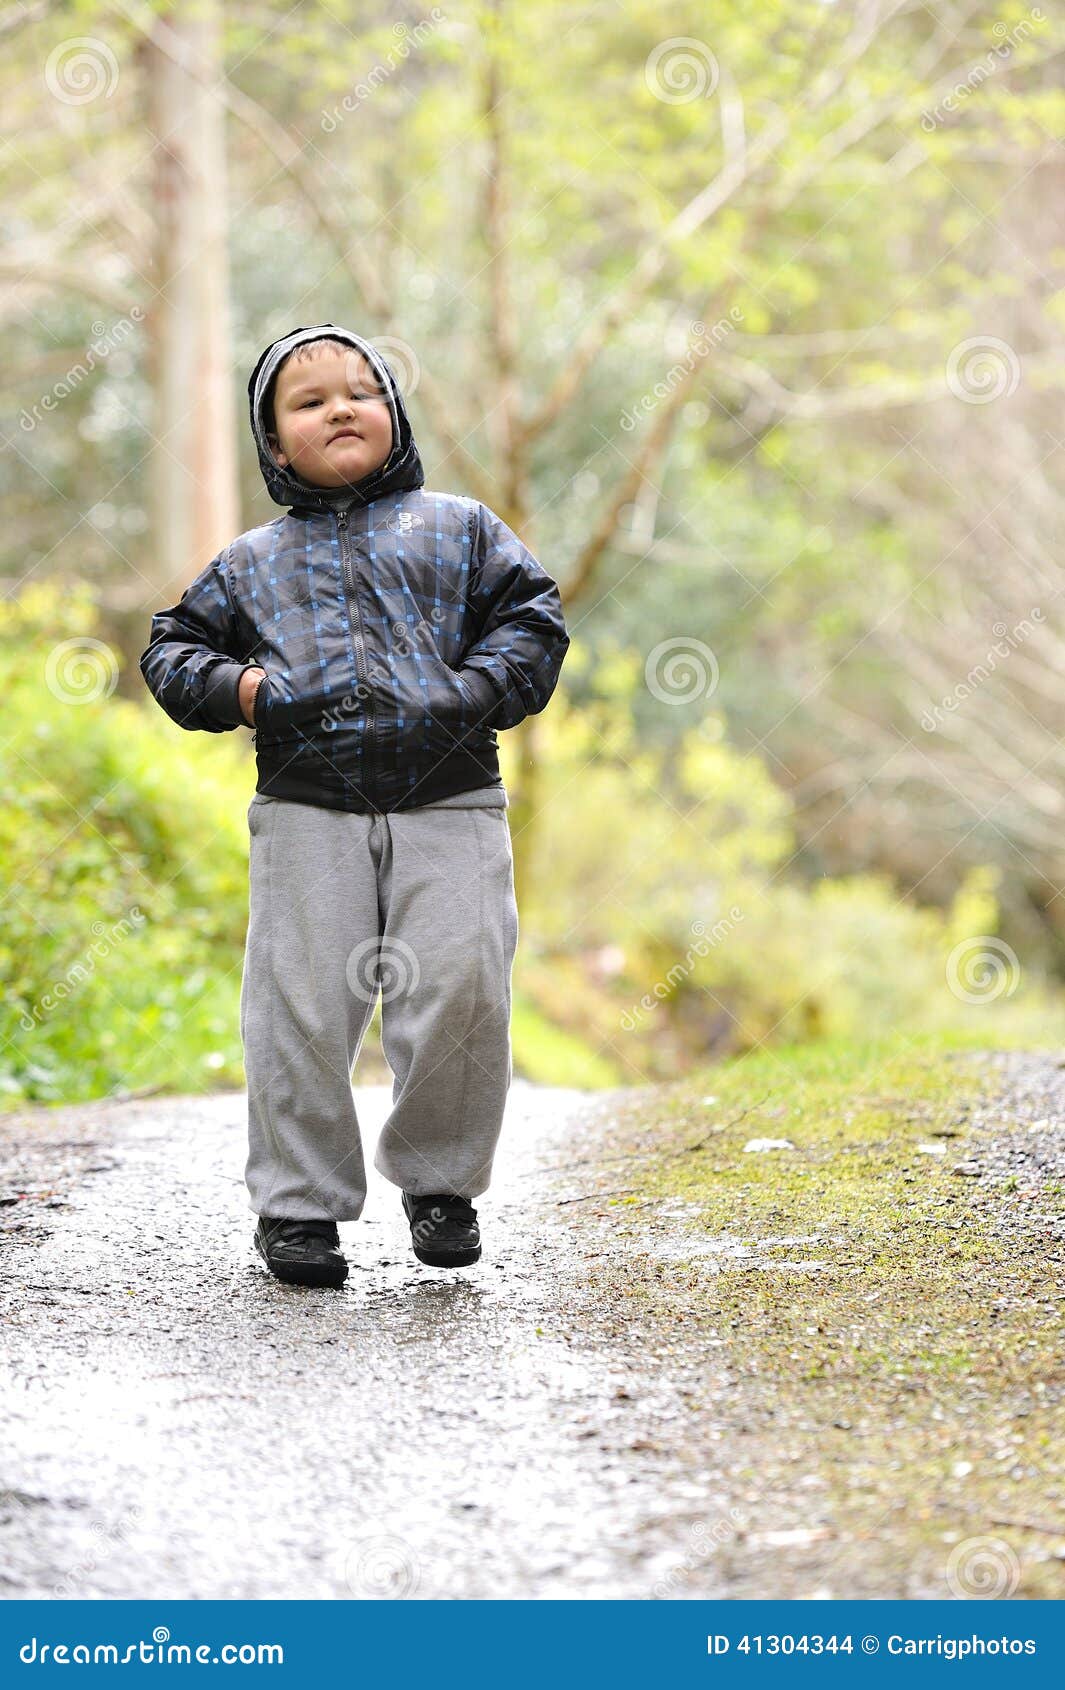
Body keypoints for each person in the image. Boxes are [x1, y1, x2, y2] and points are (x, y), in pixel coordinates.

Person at [139, 322, 570, 1290]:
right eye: (309, 400)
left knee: (466, 984)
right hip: (307, 806)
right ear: (274, 442)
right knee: (297, 1003)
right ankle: (296, 1205)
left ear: (394, 415)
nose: (340, 407)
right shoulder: (250, 562)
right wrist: (248, 692)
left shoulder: (459, 528)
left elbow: (534, 622)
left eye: (360, 391)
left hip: (452, 794)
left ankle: (441, 1181)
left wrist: (469, 693)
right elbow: (171, 652)